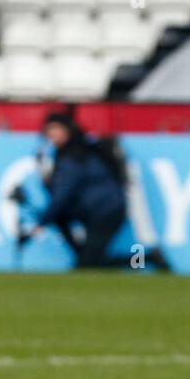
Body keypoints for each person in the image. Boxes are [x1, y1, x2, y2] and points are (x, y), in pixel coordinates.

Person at [20, 113, 169, 270]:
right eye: (49, 130)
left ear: (67, 130)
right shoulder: (79, 150)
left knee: (87, 264)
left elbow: (62, 195)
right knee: (89, 259)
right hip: (99, 209)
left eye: (56, 129)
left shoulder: (71, 157)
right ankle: (145, 259)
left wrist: (41, 223)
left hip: (105, 211)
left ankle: (147, 259)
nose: (53, 134)